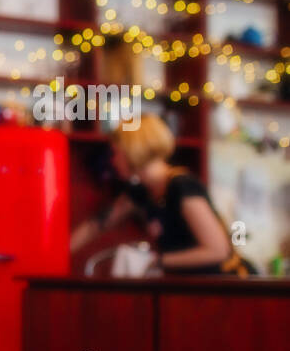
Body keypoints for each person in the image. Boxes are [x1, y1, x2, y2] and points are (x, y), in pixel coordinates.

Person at [70, 114, 253, 276]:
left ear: (133, 150)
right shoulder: (141, 191)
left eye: (116, 153)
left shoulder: (182, 187)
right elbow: (97, 224)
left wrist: (156, 261)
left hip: (226, 286)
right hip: (193, 290)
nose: (113, 160)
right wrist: (55, 253)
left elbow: (218, 251)